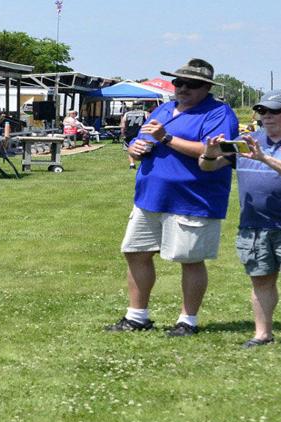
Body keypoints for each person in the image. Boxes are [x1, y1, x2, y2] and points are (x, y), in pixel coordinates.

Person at [106, 58, 239, 337]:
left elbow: (213, 152)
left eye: (193, 85)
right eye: (179, 83)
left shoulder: (219, 114)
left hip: (192, 198)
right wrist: (136, 148)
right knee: (135, 252)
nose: (183, 88)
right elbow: (141, 141)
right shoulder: (165, 108)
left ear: (206, 88)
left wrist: (166, 138)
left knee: (190, 259)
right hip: (149, 197)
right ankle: (136, 316)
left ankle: (187, 321)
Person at [198, 90, 281, 350]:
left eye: (275, 111)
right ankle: (262, 334)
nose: (267, 116)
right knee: (260, 280)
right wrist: (210, 153)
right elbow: (208, 167)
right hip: (253, 225)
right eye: (263, 111)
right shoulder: (246, 140)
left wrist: (265, 158)